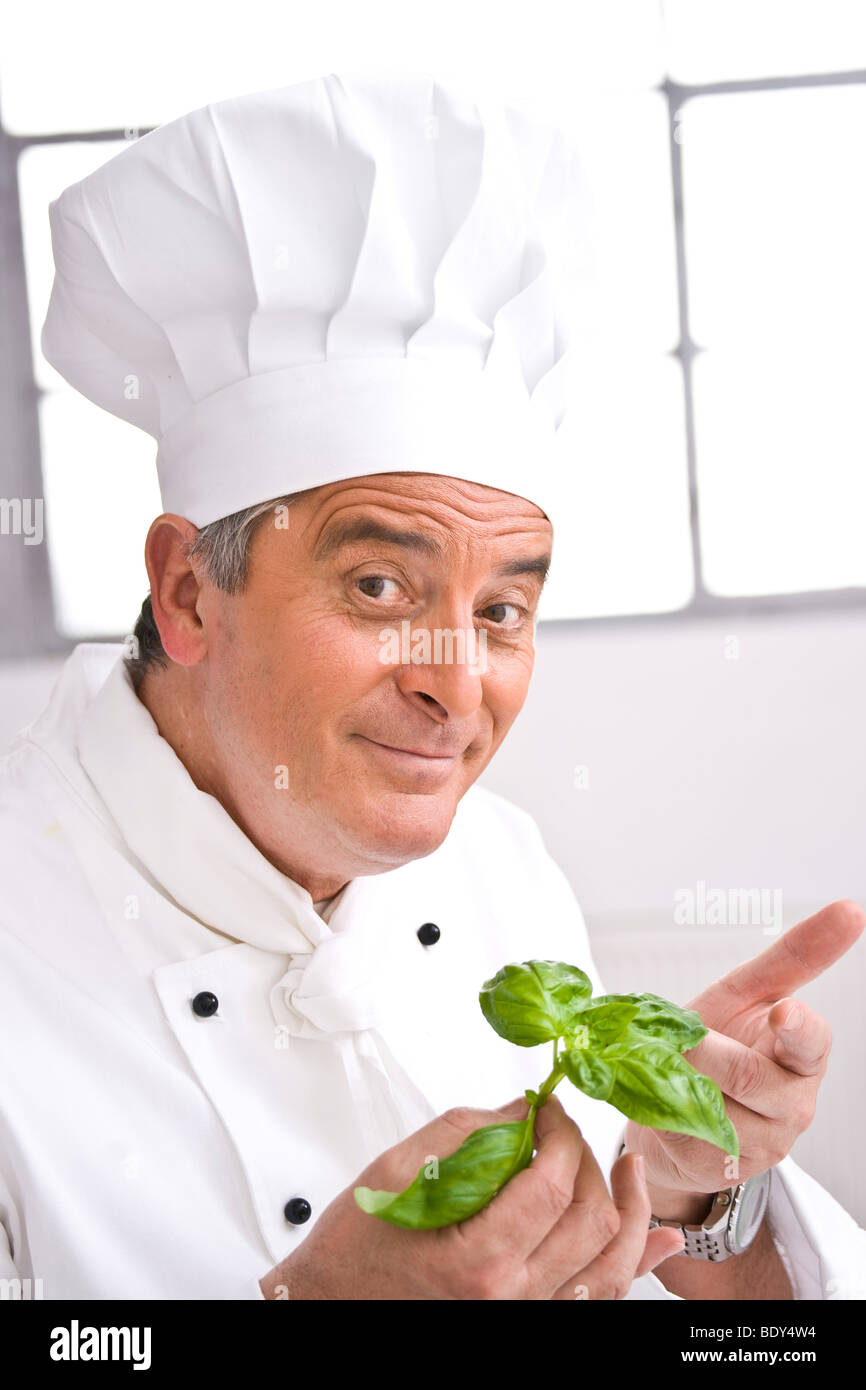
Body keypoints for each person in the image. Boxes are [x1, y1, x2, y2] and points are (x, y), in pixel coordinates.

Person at [1, 71, 863, 1301]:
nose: (456, 688)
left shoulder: (499, 866)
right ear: (190, 593)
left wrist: (690, 1190)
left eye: (502, 610)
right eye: (377, 590)